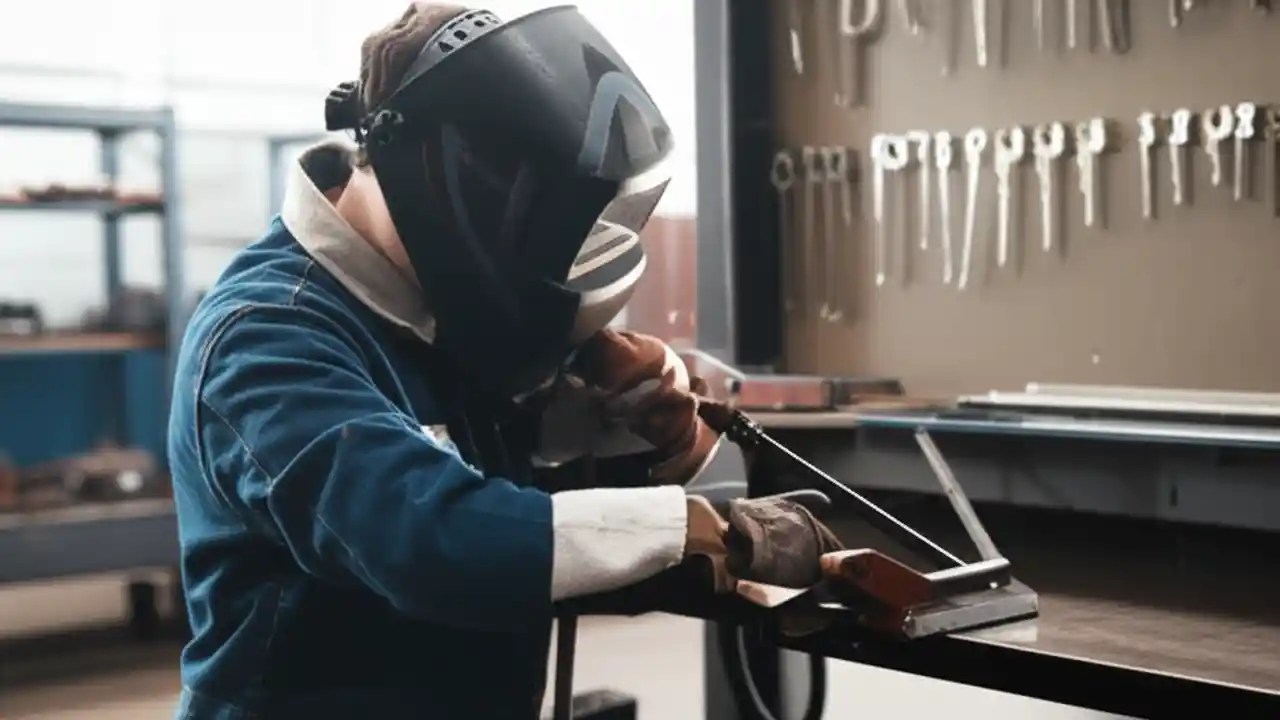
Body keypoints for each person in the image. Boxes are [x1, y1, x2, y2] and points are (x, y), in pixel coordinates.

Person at [167, 4, 836, 718]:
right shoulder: (266, 338)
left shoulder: (450, 307)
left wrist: (658, 436)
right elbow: (428, 540)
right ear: (447, 180)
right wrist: (700, 532)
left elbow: (539, 513)